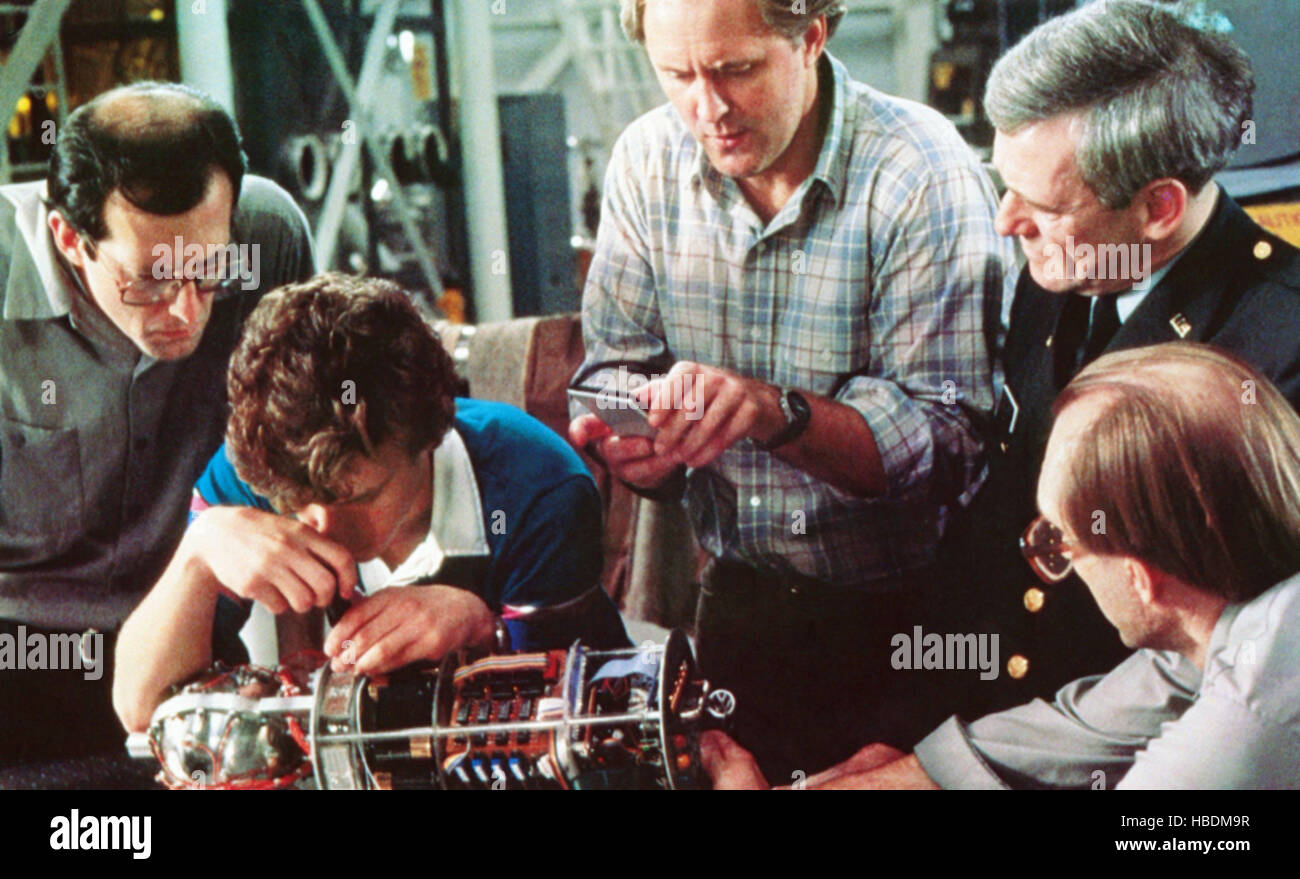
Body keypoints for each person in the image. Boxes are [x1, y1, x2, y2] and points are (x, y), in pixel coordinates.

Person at [570, 0, 1013, 778]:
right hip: (742, 617)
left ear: (811, 36)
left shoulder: (918, 171)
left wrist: (778, 415)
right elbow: (607, 377)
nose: (707, 108)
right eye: (676, 74)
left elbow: (951, 445)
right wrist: (640, 445)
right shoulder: (646, 161)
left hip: (916, 628)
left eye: (736, 70)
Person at [929, 0, 1300, 720]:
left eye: (1040, 201)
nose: (1007, 221)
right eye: (1003, 182)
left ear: (1159, 207)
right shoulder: (1066, 274)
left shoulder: (1282, 352)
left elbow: (1239, 667)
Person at [703, 343, 1300, 789]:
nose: (1053, 558)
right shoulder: (1243, 617)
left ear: (1144, 580)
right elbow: (1083, 728)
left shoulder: (1238, 738)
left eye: (1060, 544)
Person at [114, 274, 628, 732]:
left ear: (430, 435)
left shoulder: (535, 487)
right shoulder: (264, 470)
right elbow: (139, 708)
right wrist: (199, 552)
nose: (319, 528)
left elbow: (582, 725)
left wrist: (483, 629)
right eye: (295, 502)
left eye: (358, 496)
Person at [0, 82, 314, 761]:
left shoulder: (269, 237)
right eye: (146, 280)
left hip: (185, 641)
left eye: (209, 272)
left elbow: (302, 471)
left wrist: (310, 691)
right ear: (69, 237)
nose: (184, 312)